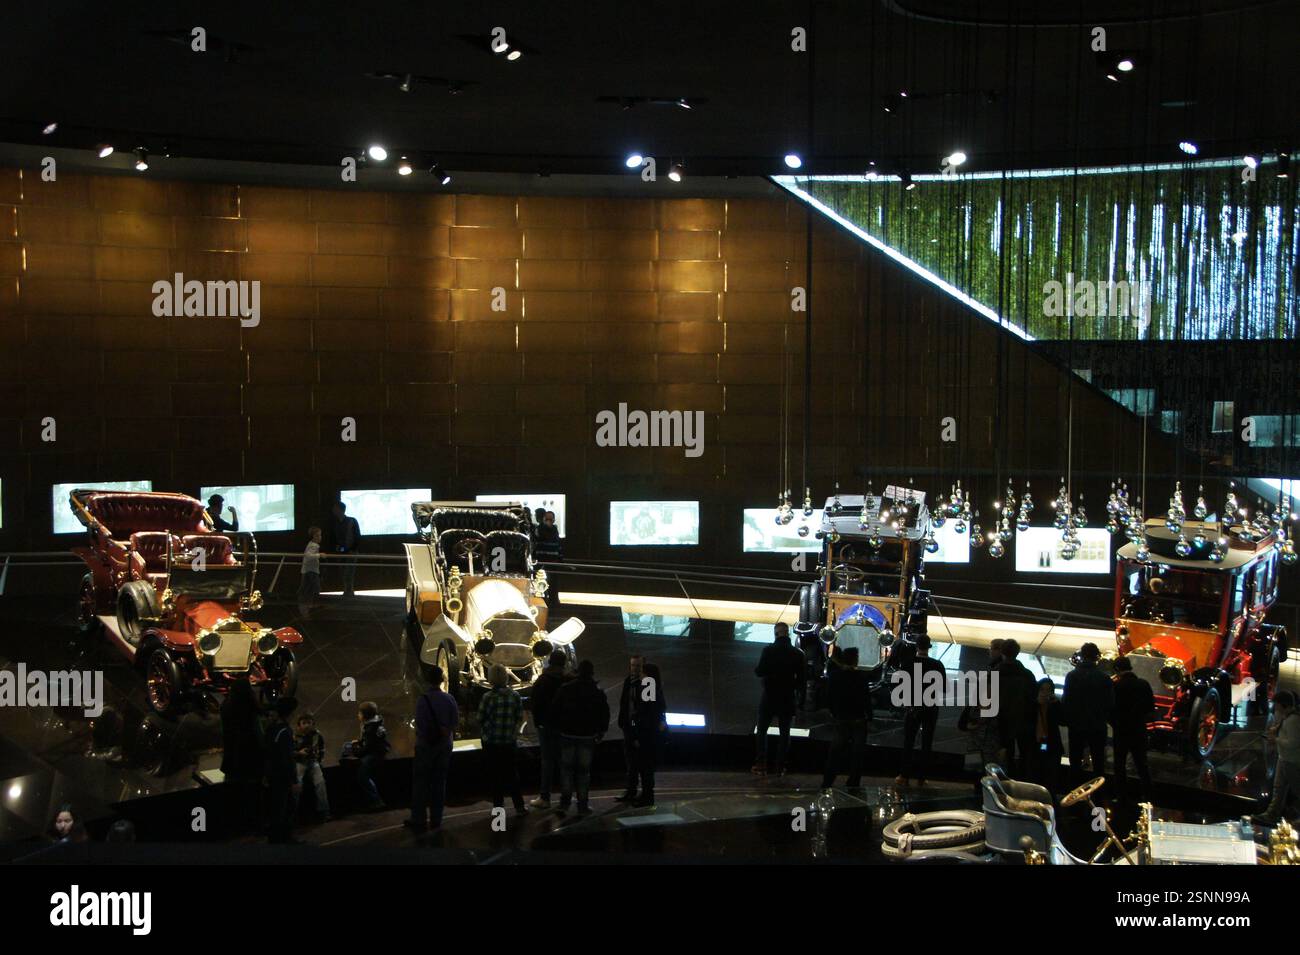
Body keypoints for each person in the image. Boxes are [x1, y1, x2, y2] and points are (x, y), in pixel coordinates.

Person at [552, 659, 610, 815]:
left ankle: (564, 804)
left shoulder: (566, 688)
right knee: (583, 772)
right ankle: (582, 805)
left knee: (566, 771)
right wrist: (601, 731)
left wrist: (558, 729)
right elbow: (604, 713)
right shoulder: (597, 691)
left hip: (567, 734)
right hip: (587, 737)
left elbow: (555, 710)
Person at [407, 665, 459, 833]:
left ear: (427, 680)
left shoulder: (423, 700)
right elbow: (455, 722)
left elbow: (420, 724)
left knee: (421, 783)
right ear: (442, 679)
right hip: (444, 745)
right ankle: (437, 819)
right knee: (439, 782)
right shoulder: (449, 699)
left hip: (425, 746)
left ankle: (419, 819)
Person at [752, 622, 806, 776]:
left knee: (761, 731)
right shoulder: (798, 654)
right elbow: (801, 681)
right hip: (787, 698)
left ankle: (761, 764)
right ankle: (780, 767)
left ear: (776, 634)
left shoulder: (768, 650)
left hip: (769, 696)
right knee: (784, 734)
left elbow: (759, 671)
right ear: (788, 633)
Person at [478, 664, 528, 817]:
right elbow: (519, 718)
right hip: (509, 742)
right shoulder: (515, 696)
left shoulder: (488, 697)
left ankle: (498, 811)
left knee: (496, 777)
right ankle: (519, 807)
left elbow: (480, 718)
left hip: (491, 743)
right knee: (512, 774)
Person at [896, 634, 946, 786]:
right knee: (927, 742)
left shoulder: (907, 663)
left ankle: (904, 775)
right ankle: (922, 777)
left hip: (912, 706)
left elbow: (900, 687)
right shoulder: (937, 665)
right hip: (930, 707)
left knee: (909, 741)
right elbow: (943, 688)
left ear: (916, 646)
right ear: (928, 647)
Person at [617, 659, 668, 806]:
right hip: (645, 733)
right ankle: (644, 795)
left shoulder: (649, 687)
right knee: (642, 765)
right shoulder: (651, 687)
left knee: (644, 766)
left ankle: (646, 796)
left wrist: (636, 733)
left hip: (644, 734)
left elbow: (644, 713)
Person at [822, 647, 872, 788]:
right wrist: (869, 716)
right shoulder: (861, 678)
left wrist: (834, 712)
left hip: (842, 718)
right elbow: (865, 699)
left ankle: (827, 781)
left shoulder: (834, 676)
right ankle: (854, 782)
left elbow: (829, 697)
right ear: (855, 660)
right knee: (857, 755)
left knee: (835, 753)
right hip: (858, 720)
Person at [1062, 642, 1113, 781]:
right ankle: (1098, 794)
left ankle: (1074, 791)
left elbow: (1067, 701)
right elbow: (1109, 704)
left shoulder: (1072, 676)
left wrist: (1067, 719)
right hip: (1097, 725)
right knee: (1098, 762)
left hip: (1077, 724)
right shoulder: (1104, 678)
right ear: (1097, 657)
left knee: (1075, 760)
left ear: (1082, 655)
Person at [220, 679, 264, 835]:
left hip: (232, 760)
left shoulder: (226, 707)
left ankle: (234, 827)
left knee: (234, 797)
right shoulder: (250, 709)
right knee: (252, 797)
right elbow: (257, 734)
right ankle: (253, 826)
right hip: (251, 761)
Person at [528, 649, 570, 809]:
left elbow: (535, 703)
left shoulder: (543, 680)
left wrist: (538, 722)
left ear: (550, 661)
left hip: (546, 727)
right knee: (564, 763)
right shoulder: (567, 680)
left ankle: (545, 797)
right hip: (564, 726)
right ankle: (566, 799)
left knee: (547, 762)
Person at [1110, 656, 1154, 802]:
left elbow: (1110, 709)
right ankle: (1148, 795)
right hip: (1138, 729)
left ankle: (1121, 795)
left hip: (1121, 730)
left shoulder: (1116, 686)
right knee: (1142, 764)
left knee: (1120, 765)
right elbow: (1150, 708)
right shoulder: (1143, 684)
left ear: (1117, 669)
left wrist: (1115, 723)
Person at [1255, 691, 1300, 826]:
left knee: (1295, 789)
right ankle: (1271, 814)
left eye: (1277, 704)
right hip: (1284, 758)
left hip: (1291, 761)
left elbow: (1293, 743)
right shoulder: (1288, 717)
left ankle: (1280, 815)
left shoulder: (1293, 720)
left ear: (1283, 704)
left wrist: (1276, 739)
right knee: (1278, 788)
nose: (1276, 707)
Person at [995, 639, 1038, 776]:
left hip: (1001, 721)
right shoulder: (1027, 675)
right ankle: (1022, 780)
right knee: (1025, 753)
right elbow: (1033, 698)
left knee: (1005, 753)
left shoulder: (995, 673)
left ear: (1002, 652)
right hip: (1023, 721)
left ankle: (1004, 781)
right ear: (1017, 653)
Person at [265, 697, 300, 843]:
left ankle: (275, 837)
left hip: (272, 774)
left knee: (276, 808)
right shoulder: (285, 731)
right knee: (286, 808)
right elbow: (287, 758)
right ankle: (284, 838)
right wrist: (293, 780)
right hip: (282, 777)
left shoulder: (271, 728)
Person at [292, 711, 330, 821]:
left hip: (313, 762)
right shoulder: (294, 736)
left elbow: (322, 748)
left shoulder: (317, 734)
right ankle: (293, 815)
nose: (307, 725)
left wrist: (319, 759)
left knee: (320, 784)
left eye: (309, 722)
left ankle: (324, 812)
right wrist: (299, 753)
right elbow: (289, 752)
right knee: (297, 785)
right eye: (304, 723)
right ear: (299, 725)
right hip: (299, 763)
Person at [1030, 678, 1065, 794]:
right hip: (1035, 746)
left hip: (1052, 747)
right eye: (1042, 690)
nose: (1045, 693)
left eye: (1048, 690)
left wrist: (1057, 704)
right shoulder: (1031, 705)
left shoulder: (1054, 706)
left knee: (1051, 780)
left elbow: (1064, 721)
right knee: (1035, 778)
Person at [353, 701, 390, 810]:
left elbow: (370, 746)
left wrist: (357, 753)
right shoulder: (374, 724)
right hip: (378, 750)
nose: (358, 715)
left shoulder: (370, 728)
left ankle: (376, 801)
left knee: (362, 775)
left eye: (359, 713)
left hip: (376, 754)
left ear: (365, 715)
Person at [331, 501, 361, 597]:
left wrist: (351, 549)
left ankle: (349, 593)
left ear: (340, 510)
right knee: (344, 573)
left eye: (335, 508)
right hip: (341, 553)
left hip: (351, 552)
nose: (333, 510)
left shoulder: (352, 521)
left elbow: (357, 537)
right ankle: (347, 592)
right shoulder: (335, 523)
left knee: (349, 573)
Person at [298, 526, 322, 619]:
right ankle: (306, 609)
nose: (320, 537)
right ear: (313, 536)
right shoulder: (313, 545)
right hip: (310, 572)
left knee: (309, 589)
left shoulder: (312, 545)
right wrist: (319, 555)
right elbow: (308, 556)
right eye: (318, 535)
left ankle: (306, 609)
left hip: (310, 571)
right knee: (312, 589)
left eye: (320, 535)